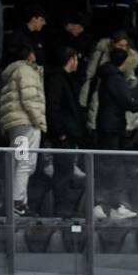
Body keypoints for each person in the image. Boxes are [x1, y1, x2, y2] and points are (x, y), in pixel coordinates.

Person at [91, 42, 138, 219]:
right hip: (111, 128)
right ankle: (107, 206)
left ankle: (105, 205)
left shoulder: (105, 76)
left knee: (107, 166)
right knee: (110, 168)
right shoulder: (115, 78)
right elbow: (126, 102)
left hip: (106, 125)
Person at [0, 42, 47, 217]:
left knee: (21, 162)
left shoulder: (14, 71)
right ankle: (17, 203)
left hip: (18, 124)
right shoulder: (26, 70)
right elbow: (29, 98)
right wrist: (38, 120)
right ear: (29, 55)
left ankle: (19, 203)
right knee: (24, 163)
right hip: (26, 124)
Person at [45, 46, 86, 212]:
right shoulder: (57, 79)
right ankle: (60, 207)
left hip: (69, 133)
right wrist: (60, 132)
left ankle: (63, 206)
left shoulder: (67, 79)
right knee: (62, 171)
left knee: (66, 170)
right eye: (76, 58)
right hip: (63, 134)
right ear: (70, 59)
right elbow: (53, 107)